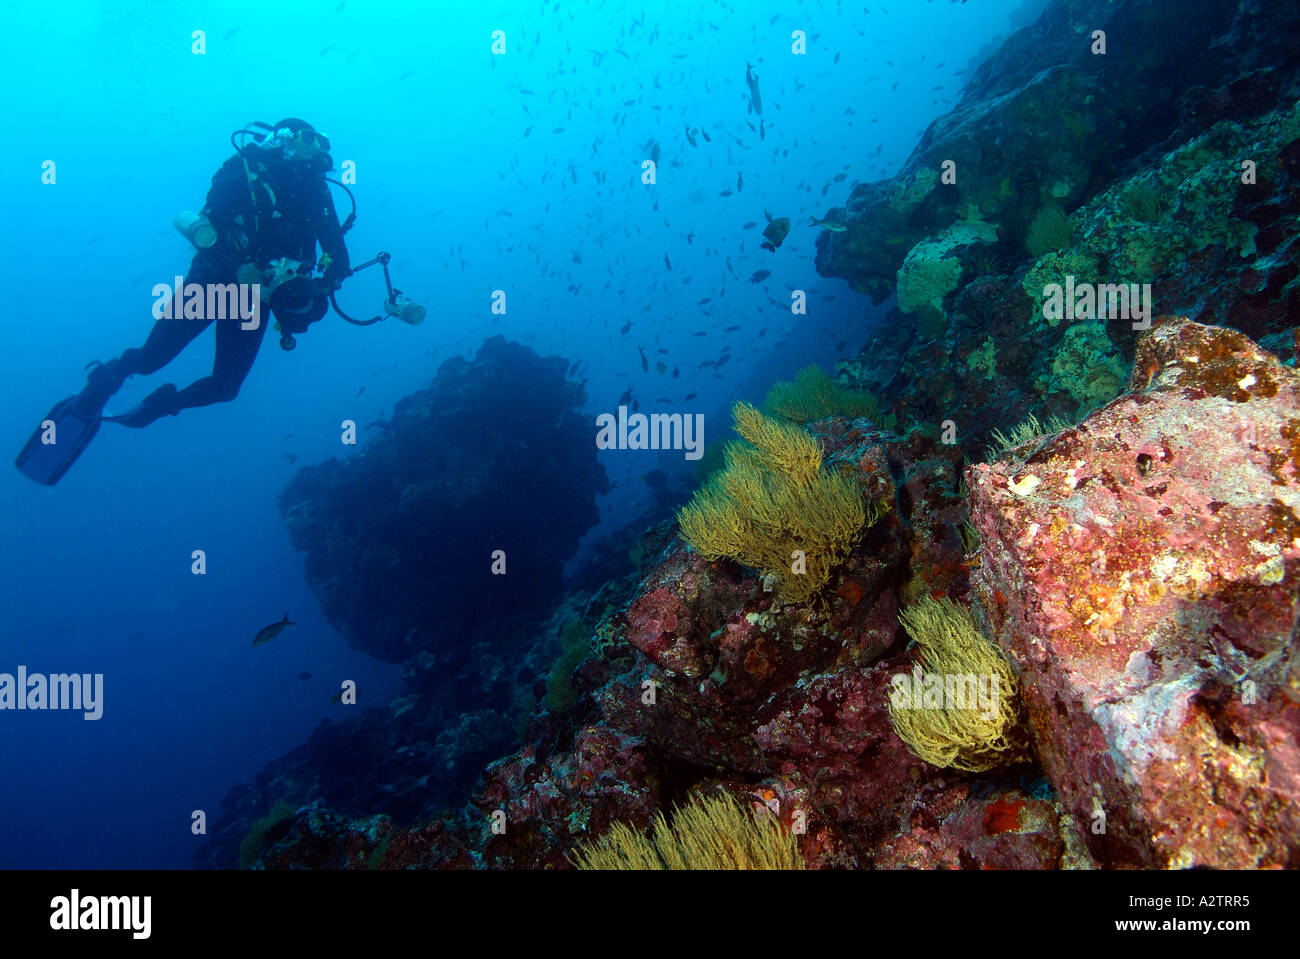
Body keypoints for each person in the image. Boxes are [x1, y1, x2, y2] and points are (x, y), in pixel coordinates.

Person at [17, 119, 351, 484]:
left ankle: (162, 405)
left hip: (258, 298)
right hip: (212, 281)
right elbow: (208, 228)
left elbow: (337, 252)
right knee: (150, 360)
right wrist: (238, 269)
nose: (315, 150)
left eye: (320, 142)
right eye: (307, 140)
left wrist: (315, 291)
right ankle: (109, 376)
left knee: (226, 388)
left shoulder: (318, 191)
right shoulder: (244, 169)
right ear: (281, 141)